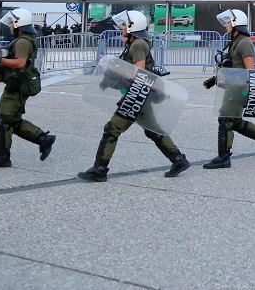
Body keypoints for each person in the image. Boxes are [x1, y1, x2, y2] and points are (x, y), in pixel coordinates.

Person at [77, 11, 189, 181]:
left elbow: (139, 71)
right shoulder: (137, 43)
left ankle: (99, 170)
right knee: (153, 130)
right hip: (141, 93)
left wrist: (116, 69)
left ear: (132, 27)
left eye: (124, 25)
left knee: (112, 129)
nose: (121, 27)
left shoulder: (137, 44)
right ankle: (178, 159)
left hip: (137, 94)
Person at [201, 10, 255, 168]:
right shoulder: (236, 41)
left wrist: (250, 92)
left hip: (239, 88)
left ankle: (223, 157)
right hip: (233, 87)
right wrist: (214, 80)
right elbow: (234, 67)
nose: (226, 25)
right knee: (234, 121)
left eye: (228, 22)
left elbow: (251, 70)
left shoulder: (244, 42)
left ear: (236, 23)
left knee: (225, 119)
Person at [0, 8, 55, 168]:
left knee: (3, 119)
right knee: (11, 120)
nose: (9, 26)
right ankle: (42, 139)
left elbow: (20, 63)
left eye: (11, 23)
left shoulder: (22, 42)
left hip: (18, 85)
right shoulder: (22, 39)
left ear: (18, 23)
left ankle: (2, 157)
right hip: (17, 83)